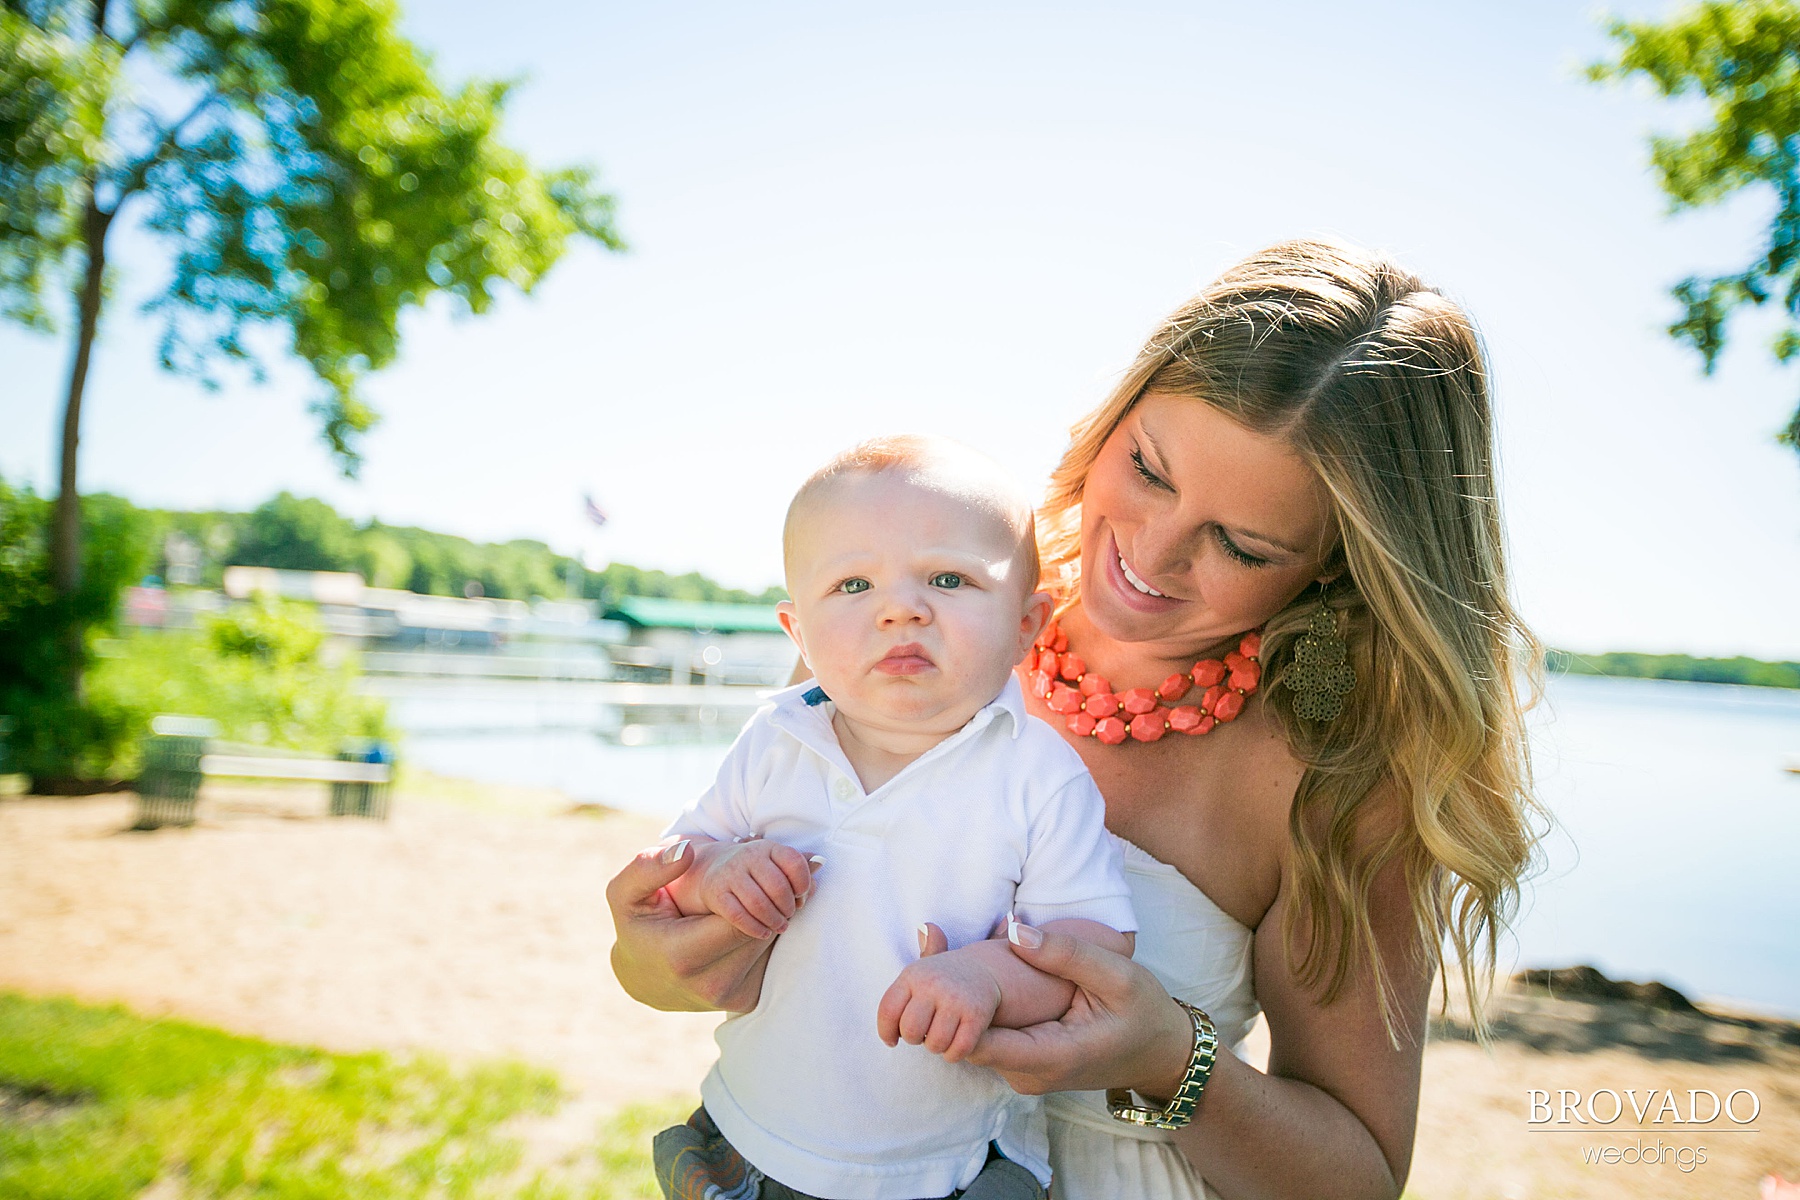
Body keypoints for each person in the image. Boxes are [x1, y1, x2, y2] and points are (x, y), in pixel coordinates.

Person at [609, 239, 1542, 1199]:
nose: (1152, 552)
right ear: (1118, 415)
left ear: (1341, 562)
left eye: (1239, 543)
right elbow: (705, 965)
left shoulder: (1334, 783)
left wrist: (1165, 1057)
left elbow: (1358, 1179)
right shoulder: (922, 612)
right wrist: (659, 957)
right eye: (1148, 469)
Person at [648, 436, 1138, 1200]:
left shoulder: (1036, 774)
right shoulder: (776, 739)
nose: (901, 608)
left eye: (949, 578)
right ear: (796, 632)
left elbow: (1095, 941)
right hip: (756, 1134)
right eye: (852, 584)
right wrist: (718, 873)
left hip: (945, 1163)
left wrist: (987, 976)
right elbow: (679, 866)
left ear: (1026, 623)